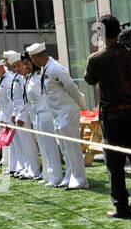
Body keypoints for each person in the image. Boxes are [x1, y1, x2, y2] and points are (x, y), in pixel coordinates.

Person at [83, 13, 131, 217]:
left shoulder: (97, 58)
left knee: (115, 163)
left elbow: (89, 79)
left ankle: (121, 206)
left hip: (113, 115)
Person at [28, 42, 88, 189]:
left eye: (33, 58)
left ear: (38, 56)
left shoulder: (56, 68)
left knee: (72, 147)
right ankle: (70, 175)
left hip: (67, 112)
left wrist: (83, 106)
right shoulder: (45, 68)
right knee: (65, 148)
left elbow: (72, 88)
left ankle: (80, 179)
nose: (32, 62)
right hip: (57, 113)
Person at [23, 53, 60, 184]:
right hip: (36, 115)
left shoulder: (41, 75)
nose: (25, 66)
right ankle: (47, 175)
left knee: (50, 146)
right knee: (43, 146)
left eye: (27, 63)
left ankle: (56, 176)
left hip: (45, 112)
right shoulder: (30, 77)